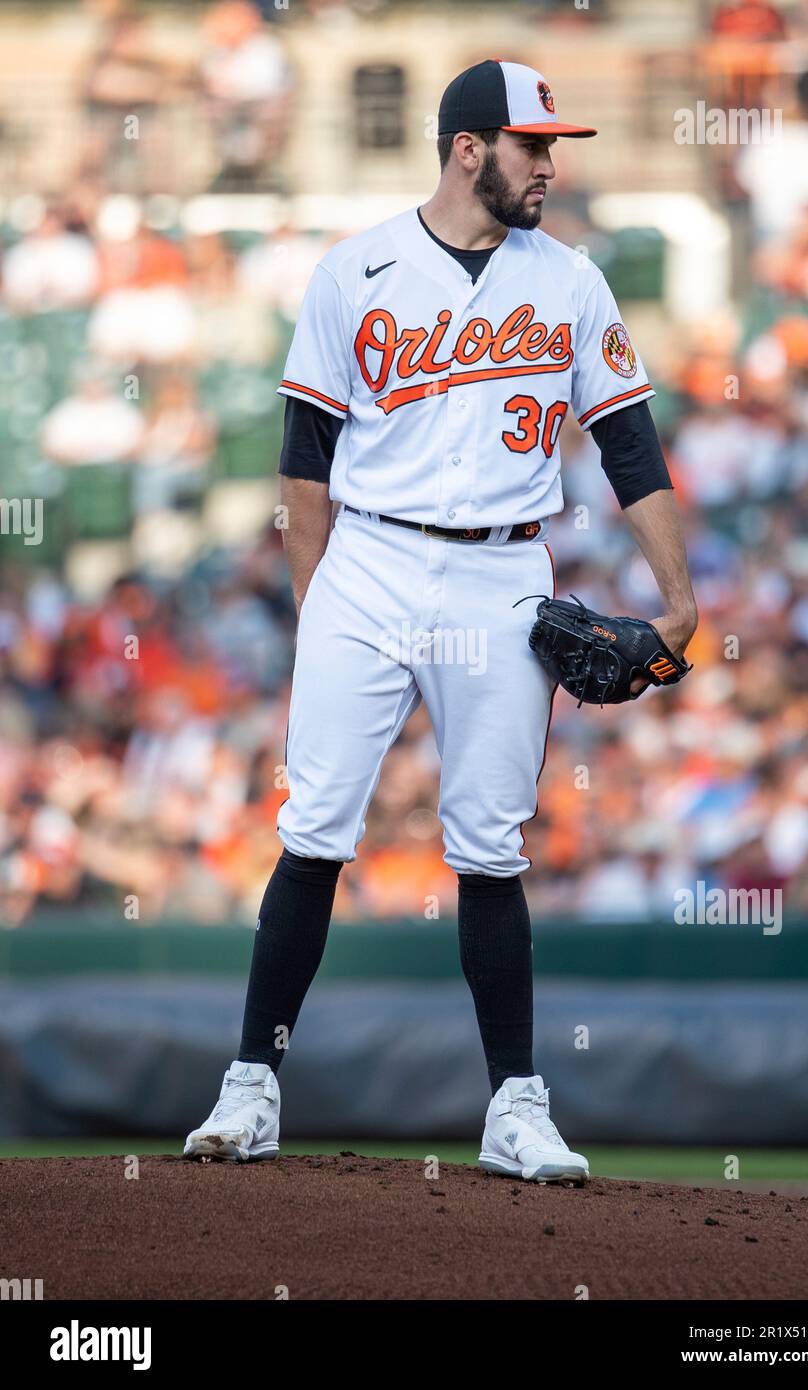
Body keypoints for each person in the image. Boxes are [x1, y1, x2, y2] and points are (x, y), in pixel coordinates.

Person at [184, 60, 697, 1183]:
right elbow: (304, 460)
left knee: (489, 846)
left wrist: (679, 597)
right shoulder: (353, 268)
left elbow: (628, 446)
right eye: (532, 147)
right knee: (313, 827)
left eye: (551, 148)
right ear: (468, 148)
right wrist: (321, 596)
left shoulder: (568, 281)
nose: (550, 166)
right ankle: (252, 1085)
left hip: (500, 573)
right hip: (365, 554)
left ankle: (514, 1105)